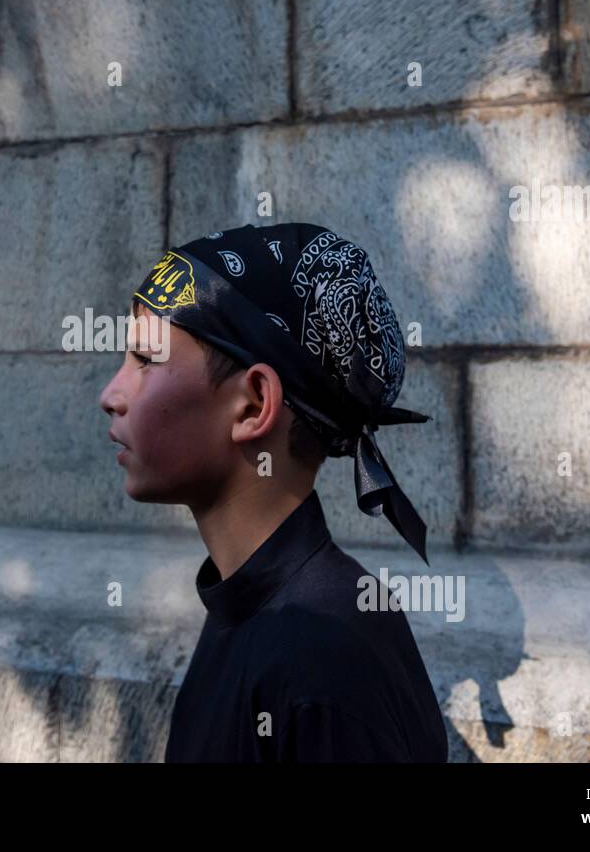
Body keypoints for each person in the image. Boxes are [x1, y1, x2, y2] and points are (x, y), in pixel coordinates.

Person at [99, 223, 448, 763]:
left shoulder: (324, 657)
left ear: (254, 405)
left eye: (145, 359)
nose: (110, 394)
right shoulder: (248, 604)